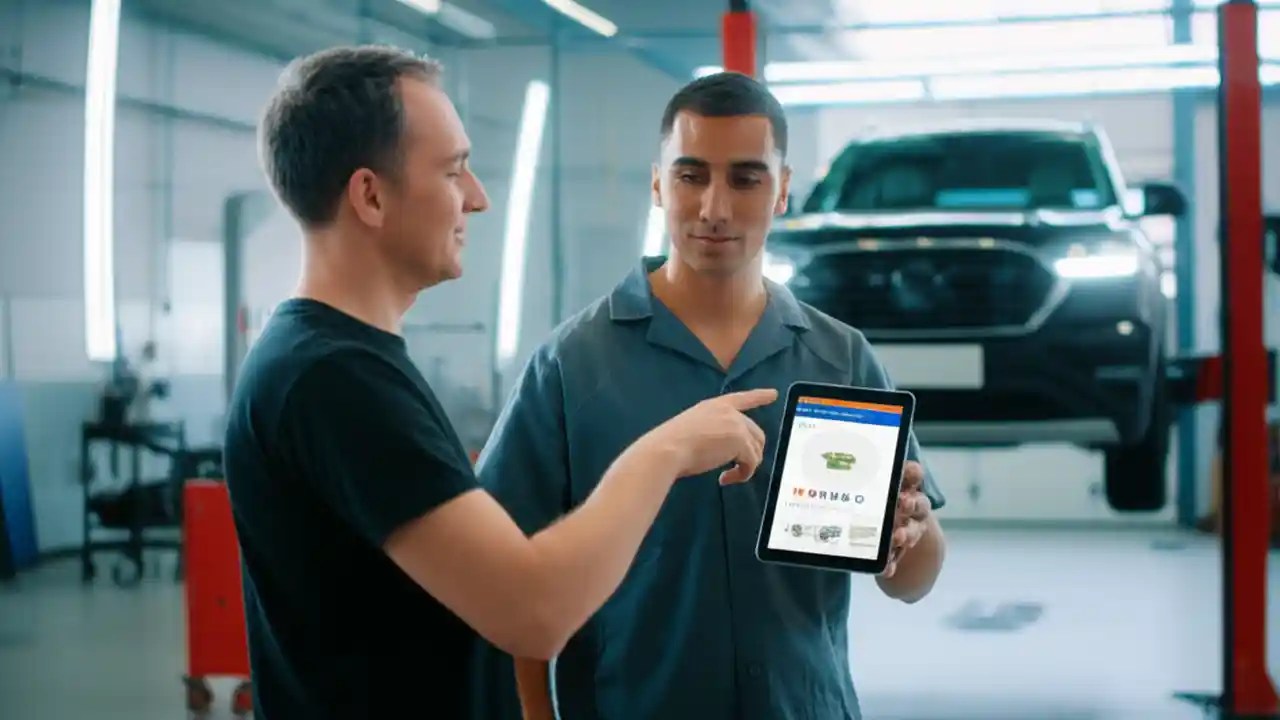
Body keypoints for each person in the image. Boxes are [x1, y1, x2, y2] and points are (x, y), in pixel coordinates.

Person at [222, 47, 780, 720]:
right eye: (455, 169)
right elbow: (533, 609)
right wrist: (666, 452)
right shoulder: (332, 379)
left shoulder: (339, 363)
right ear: (370, 195)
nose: (477, 198)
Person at [470, 72, 948, 720]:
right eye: (692, 175)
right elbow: (505, 571)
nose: (715, 207)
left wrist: (909, 536)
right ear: (658, 182)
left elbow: (912, 582)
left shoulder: (842, 359)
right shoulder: (572, 365)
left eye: (746, 178)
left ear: (781, 189)